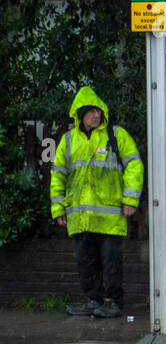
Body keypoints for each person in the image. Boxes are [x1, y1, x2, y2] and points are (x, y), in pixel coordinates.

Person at [50, 86, 143, 318]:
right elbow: (58, 175)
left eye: (98, 110)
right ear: (80, 114)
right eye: (91, 111)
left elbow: (134, 165)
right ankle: (94, 299)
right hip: (81, 217)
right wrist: (58, 208)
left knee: (111, 261)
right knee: (86, 262)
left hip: (110, 215)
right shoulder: (69, 140)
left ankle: (113, 302)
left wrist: (130, 199)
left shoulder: (116, 135)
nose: (96, 115)